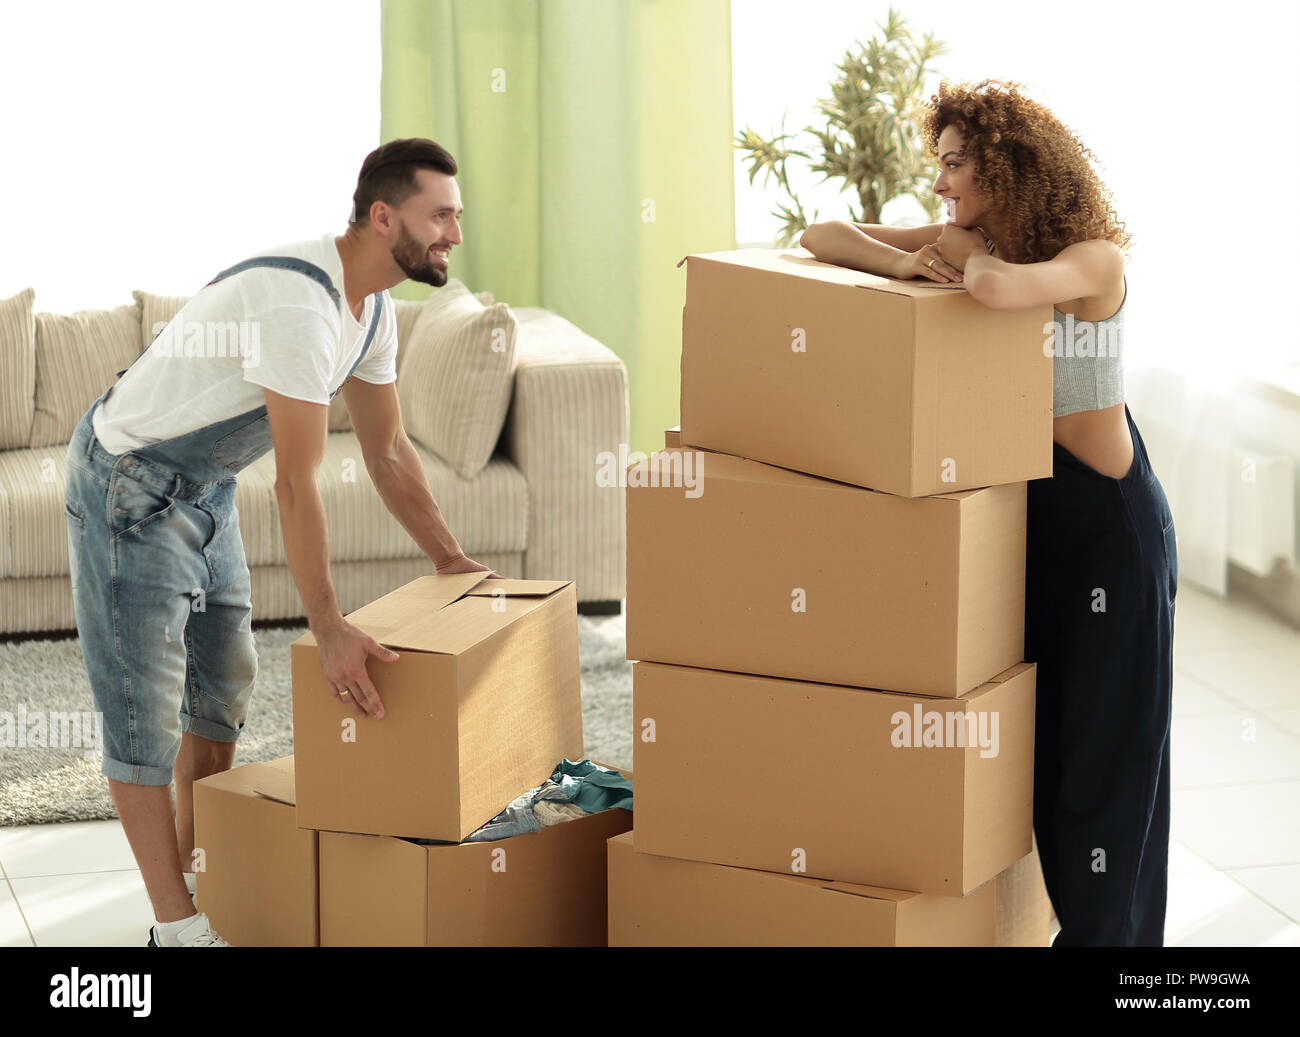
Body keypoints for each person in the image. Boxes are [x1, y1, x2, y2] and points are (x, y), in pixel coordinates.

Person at [64, 137, 504, 947]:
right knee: (141, 719)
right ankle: (176, 927)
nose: (455, 233)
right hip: (129, 482)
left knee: (225, 682)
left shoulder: (370, 307)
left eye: (457, 215)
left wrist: (450, 558)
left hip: (204, 483)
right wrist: (330, 628)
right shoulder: (300, 306)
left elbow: (387, 450)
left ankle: (207, 865)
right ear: (383, 216)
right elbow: (298, 484)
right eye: (440, 214)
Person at [800, 78, 1178, 946]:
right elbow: (817, 234)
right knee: (1044, 766)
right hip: (1034, 525)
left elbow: (999, 292)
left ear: (1007, 167)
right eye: (939, 167)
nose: (939, 186)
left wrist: (954, 248)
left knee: (1104, 773)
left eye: (955, 165)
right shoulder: (969, 240)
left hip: (1108, 535)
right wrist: (903, 258)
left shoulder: (1093, 258)